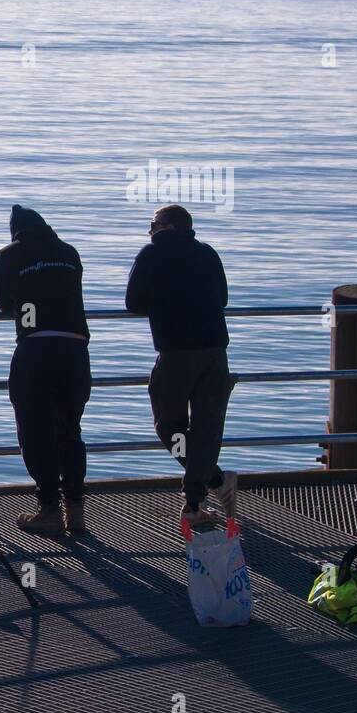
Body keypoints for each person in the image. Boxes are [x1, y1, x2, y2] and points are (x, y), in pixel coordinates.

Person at [125, 204, 235, 531]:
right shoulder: (207, 254)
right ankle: (200, 493)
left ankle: (207, 486)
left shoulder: (151, 254)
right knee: (206, 427)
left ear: (168, 227)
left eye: (153, 224)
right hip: (215, 350)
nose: (149, 230)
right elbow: (223, 299)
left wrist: (164, 301)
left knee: (167, 424)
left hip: (176, 352)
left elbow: (133, 302)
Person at [0, 205, 91, 536]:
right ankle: (75, 509)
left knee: (35, 430)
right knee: (70, 429)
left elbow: (4, 303)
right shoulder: (69, 252)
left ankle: (49, 507)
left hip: (36, 346)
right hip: (76, 348)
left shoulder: (10, 254)